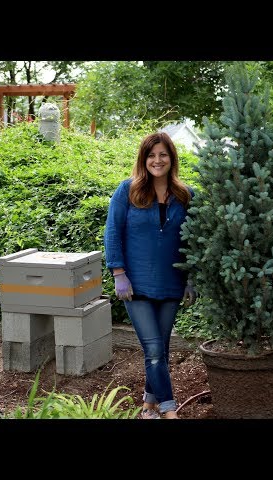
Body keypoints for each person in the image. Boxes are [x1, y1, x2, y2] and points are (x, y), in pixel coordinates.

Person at [104, 132, 197, 420]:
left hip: (171, 284)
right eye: (151, 155)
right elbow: (112, 232)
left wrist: (191, 277)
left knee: (160, 349)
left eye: (163, 155)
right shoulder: (127, 191)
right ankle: (169, 412)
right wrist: (118, 272)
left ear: (172, 159)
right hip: (136, 285)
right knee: (154, 350)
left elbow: (195, 240)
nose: (157, 160)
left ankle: (148, 407)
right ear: (144, 159)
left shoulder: (186, 195)